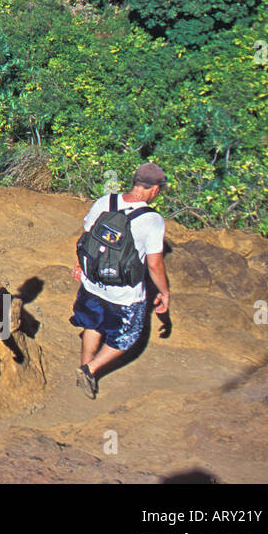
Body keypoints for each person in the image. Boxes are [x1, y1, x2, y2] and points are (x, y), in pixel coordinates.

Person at [70, 163, 170, 400]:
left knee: (93, 324)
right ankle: (90, 369)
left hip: (92, 282)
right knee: (126, 336)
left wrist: (79, 264)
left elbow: (86, 236)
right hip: (124, 294)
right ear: (155, 189)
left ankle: (84, 368)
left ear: (134, 181)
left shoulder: (106, 201)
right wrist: (164, 292)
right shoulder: (153, 220)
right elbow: (154, 264)